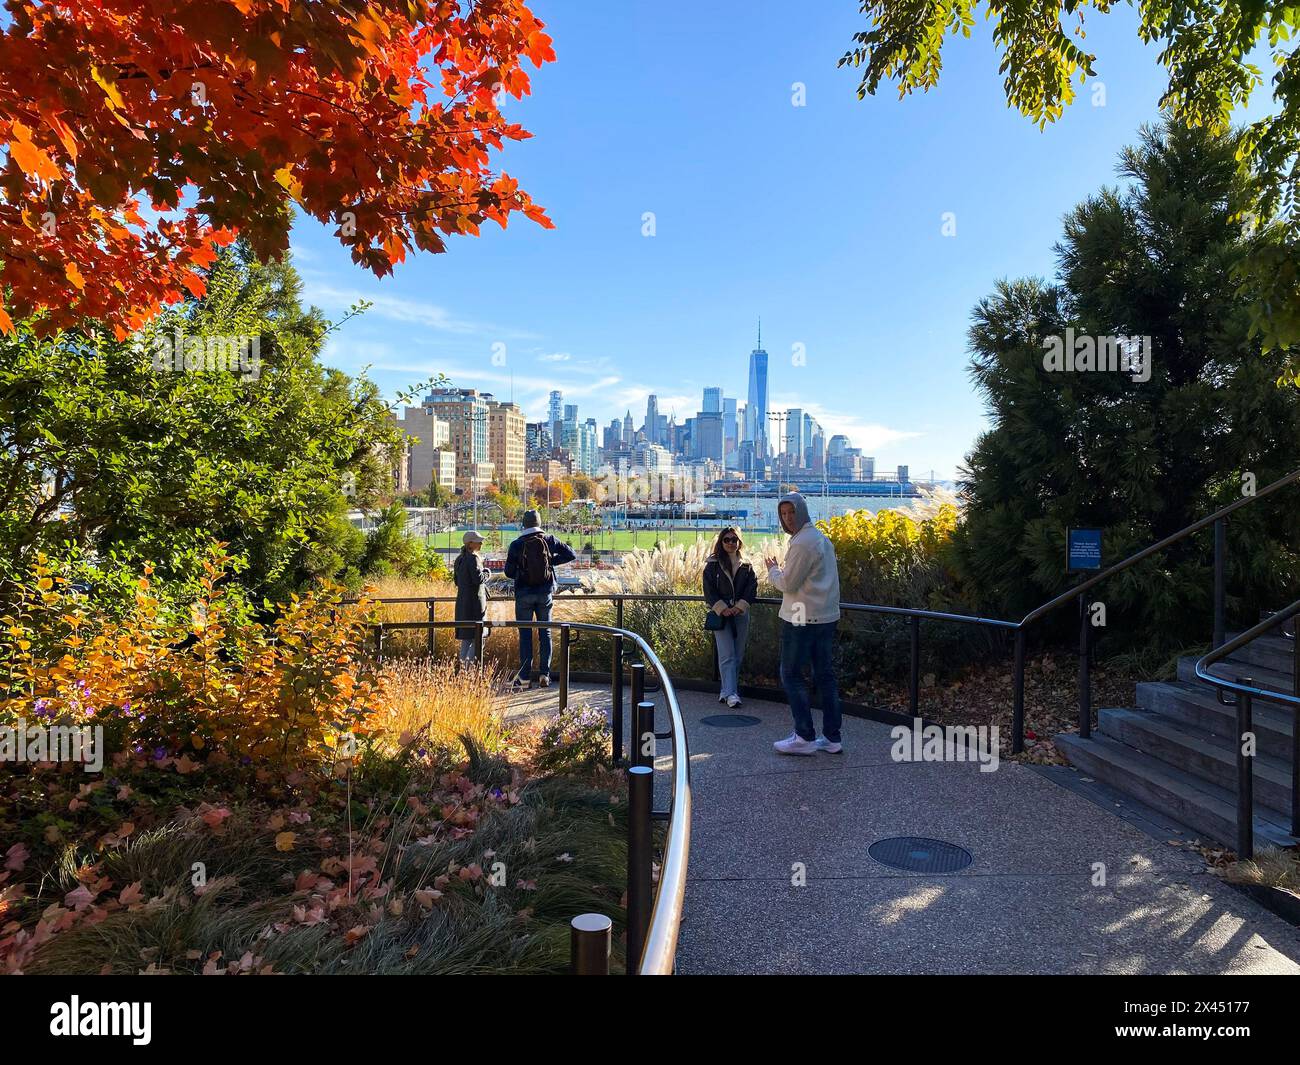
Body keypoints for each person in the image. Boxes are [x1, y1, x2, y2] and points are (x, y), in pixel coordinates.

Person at [764, 492, 842, 755]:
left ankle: (804, 736)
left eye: (791, 512)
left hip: (800, 615)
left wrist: (773, 571)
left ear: (802, 512)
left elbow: (788, 583)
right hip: (826, 615)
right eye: (783, 514)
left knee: (791, 674)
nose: (787, 518)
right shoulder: (820, 538)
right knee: (825, 676)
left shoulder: (802, 543)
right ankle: (832, 738)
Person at [504, 509, 577, 688]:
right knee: (546, 632)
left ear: (524, 524)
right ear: (539, 522)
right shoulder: (550, 540)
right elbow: (571, 554)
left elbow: (508, 571)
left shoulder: (516, 544)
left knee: (525, 634)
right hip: (545, 593)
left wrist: (522, 571)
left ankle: (525, 677)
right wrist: (551, 562)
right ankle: (545, 674)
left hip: (524, 594)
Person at [703, 526, 757, 708]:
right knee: (727, 654)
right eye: (727, 540)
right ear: (721, 542)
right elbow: (708, 590)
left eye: (734, 539)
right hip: (722, 615)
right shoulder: (712, 564)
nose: (731, 543)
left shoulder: (747, 565)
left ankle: (726, 691)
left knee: (738, 654)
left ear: (739, 542)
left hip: (740, 614)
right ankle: (732, 694)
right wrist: (722, 607)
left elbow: (752, 588)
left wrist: (740, 606)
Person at [453, 530, 488, 663]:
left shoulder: (459, 559)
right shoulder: (473, 558)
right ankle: (469, 668)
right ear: (470, 544)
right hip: (475, 605)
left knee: (466, 639)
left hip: (462, 604)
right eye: (478, 541)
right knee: (479, 638)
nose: (481, 543)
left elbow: (456, 581)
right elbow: (478, 579)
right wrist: (487, 573)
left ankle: (463, 669)